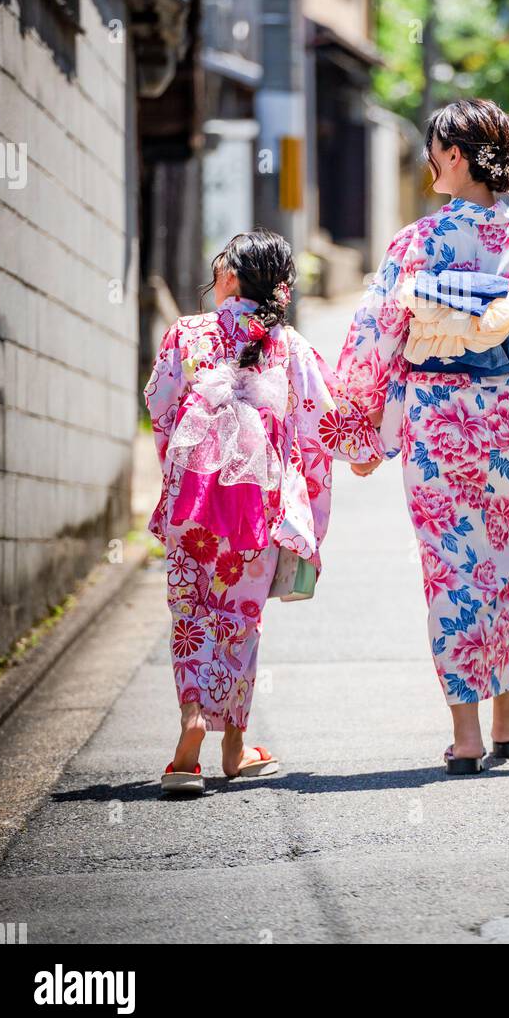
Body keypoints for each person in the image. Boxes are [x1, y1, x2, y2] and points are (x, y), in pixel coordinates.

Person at [337, 99, 509, 774]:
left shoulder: (415, 244)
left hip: (436, 425)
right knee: (502, 572)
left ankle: (466, 735)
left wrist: (361, 435)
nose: (428, 159)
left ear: (457, 157)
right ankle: (507, 720)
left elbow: (375, 337)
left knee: (447, 575)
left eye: (435, 148)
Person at [144, 230, 383, 794]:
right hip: (255, 507)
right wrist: (366, 453)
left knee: (190, 616)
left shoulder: (186, 334)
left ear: (228, 277)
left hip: (194, 501)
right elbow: (326, 417)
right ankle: (234, 746)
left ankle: (191, 729)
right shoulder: (290, 346)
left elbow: (158, 405)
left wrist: (177, 463)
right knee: (240, 621)